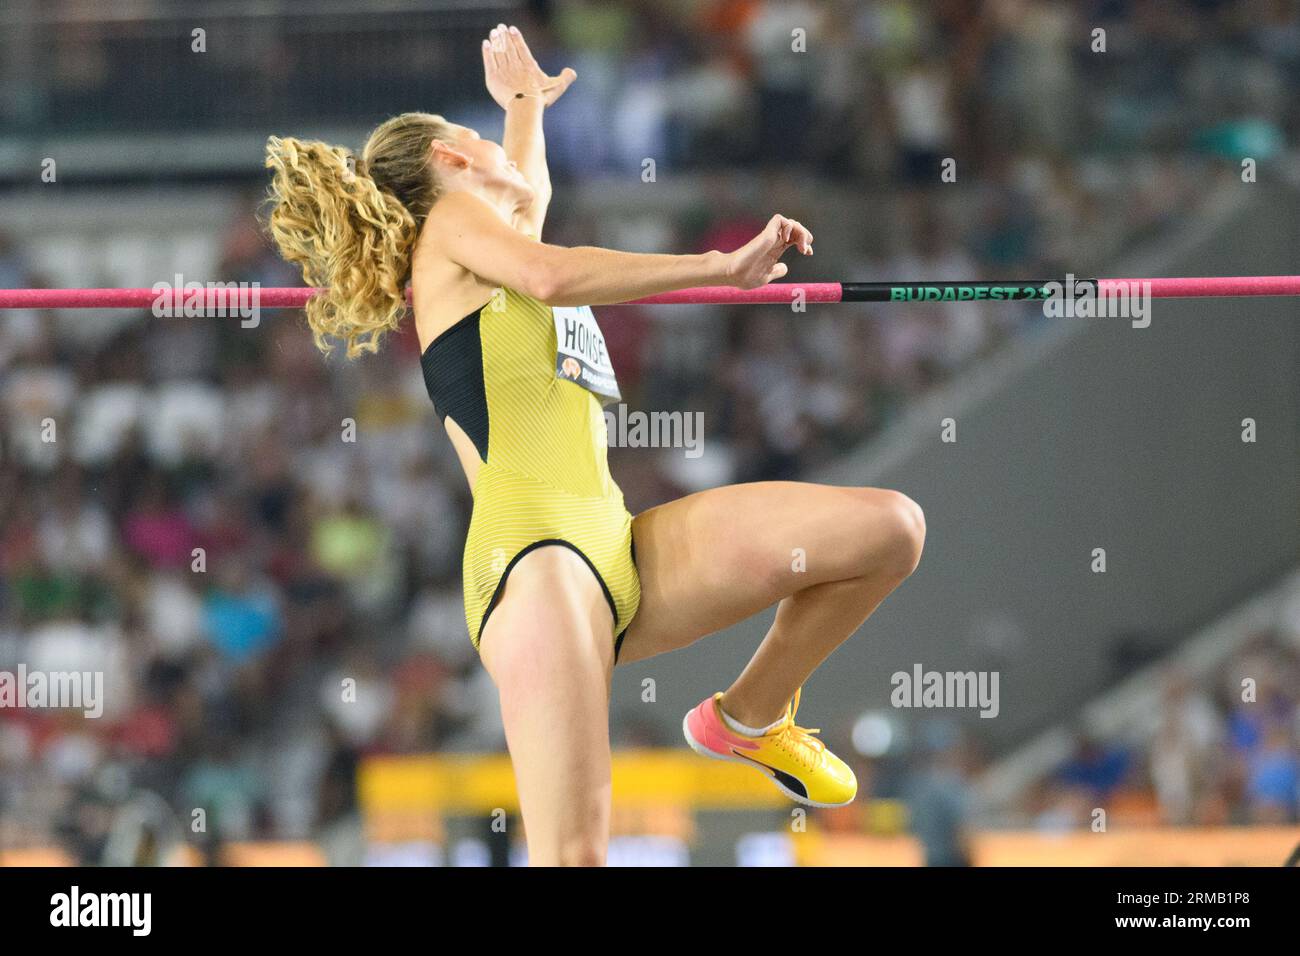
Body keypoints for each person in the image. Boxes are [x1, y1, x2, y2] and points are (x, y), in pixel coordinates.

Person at [264, 24, 924, 866]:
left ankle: (748, 718)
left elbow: (529, 212)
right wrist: (719, 268)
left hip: (615, 546)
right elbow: (549, 271)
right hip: (536, 561)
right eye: (473, 135)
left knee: (888, 531)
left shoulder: (486, 244)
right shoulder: (450, 233)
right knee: (575, 857)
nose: (491, 145)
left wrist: (524, 110)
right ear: (449, 160)